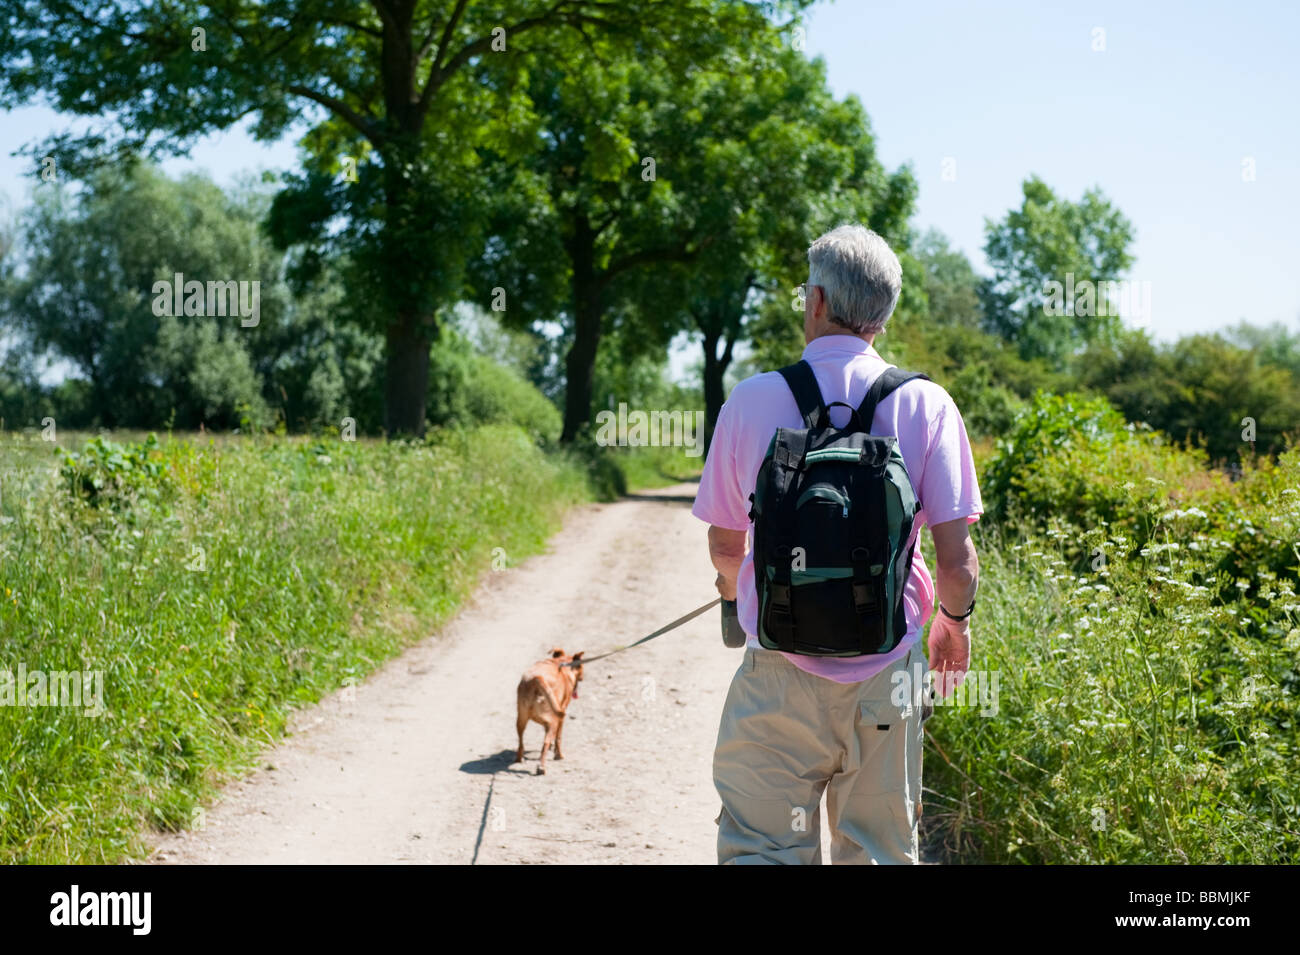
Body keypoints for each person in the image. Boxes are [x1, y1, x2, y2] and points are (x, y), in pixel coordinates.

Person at [691, 224, 983, 864]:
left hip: (778, 671)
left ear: (817, 300)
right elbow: (957, 563)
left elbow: (724, 544)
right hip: (887, 670)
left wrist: (732, 597)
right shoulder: (927, 405)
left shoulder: (752, 398)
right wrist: (952, 627)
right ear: (884, 312)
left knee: (761, 847)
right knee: (876, 851)